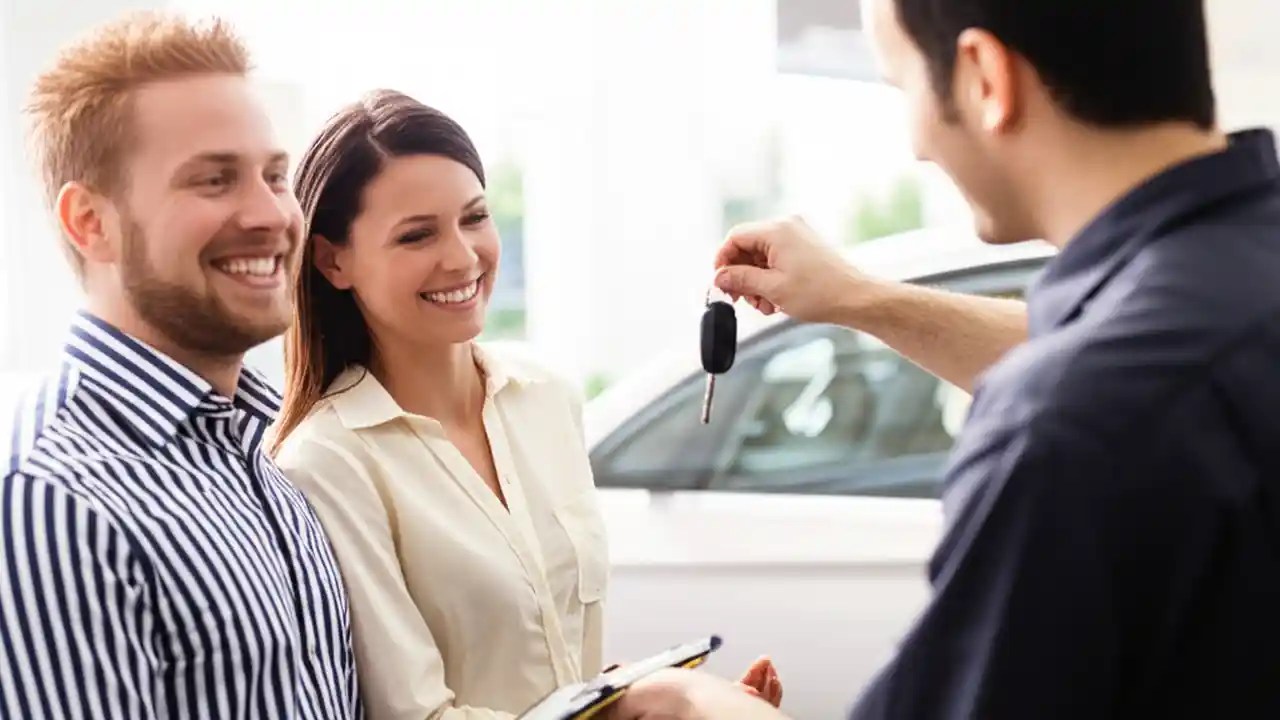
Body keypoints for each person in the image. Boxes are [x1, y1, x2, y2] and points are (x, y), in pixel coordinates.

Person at [605, 0, 1280, 718]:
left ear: (987, 78)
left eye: (904, 87)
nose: (917, 145)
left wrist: (695, 704)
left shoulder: (1063, 427)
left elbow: (1103, 385)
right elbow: (1136, 354)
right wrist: (859, 298)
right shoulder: (1222, 302)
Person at [269, 90, 782, 720]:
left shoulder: (546, 399)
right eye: (416, 235)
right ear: (332, 260)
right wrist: (667, 701)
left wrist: (649, 698)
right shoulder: (326, 462)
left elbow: (564, 671)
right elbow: (418, 714)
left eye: (475, 217)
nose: (461, 257)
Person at [0, 12, 362, 720]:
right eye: (213, 180)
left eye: (274, 175)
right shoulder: (52, 501)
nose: (273, 214)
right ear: (90, 223)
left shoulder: (259, 455)